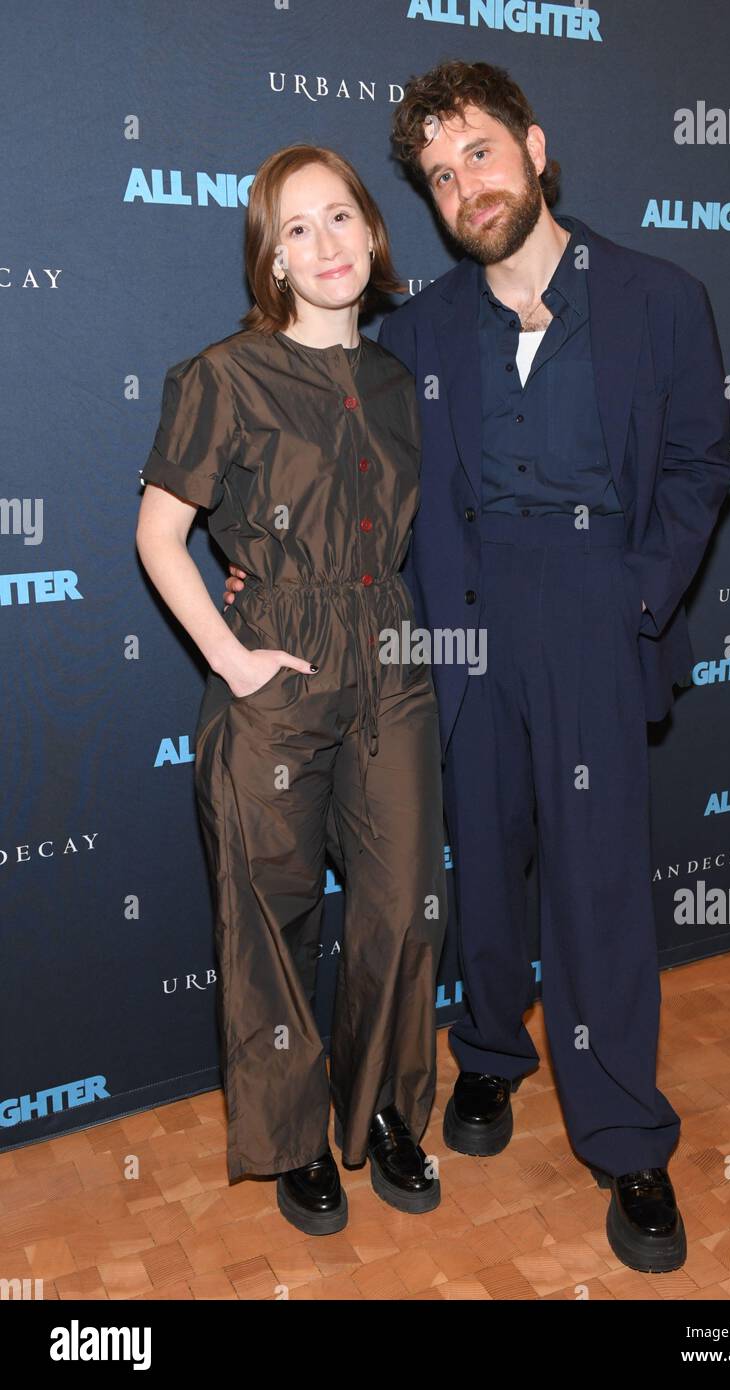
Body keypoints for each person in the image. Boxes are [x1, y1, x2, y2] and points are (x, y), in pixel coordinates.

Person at [225, 60, 730, 1274]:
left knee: (597, 879)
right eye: (440, 174)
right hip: (459, 618)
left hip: (597, 611)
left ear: (536, 149)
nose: (466, 184)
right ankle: (492, 1062)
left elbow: (698, 469)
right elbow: (342, 464)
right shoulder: (420, 332)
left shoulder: (660, 298)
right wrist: (257, 561)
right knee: (483, 870)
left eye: (481, 155)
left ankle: (622, 1131)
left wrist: (635, 597)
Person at [136, 144, 448, 1237]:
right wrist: (231, 654)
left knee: (404, 899)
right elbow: (159, 534)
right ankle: (292, 1137)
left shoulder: (396, 380)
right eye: (295, 229)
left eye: (340, 218)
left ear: (371, 230)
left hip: (389, 652)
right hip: (276, 657)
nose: (324, 245)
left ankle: (389, 1113)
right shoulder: (224, 375)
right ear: (269, 258)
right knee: (270, 916)